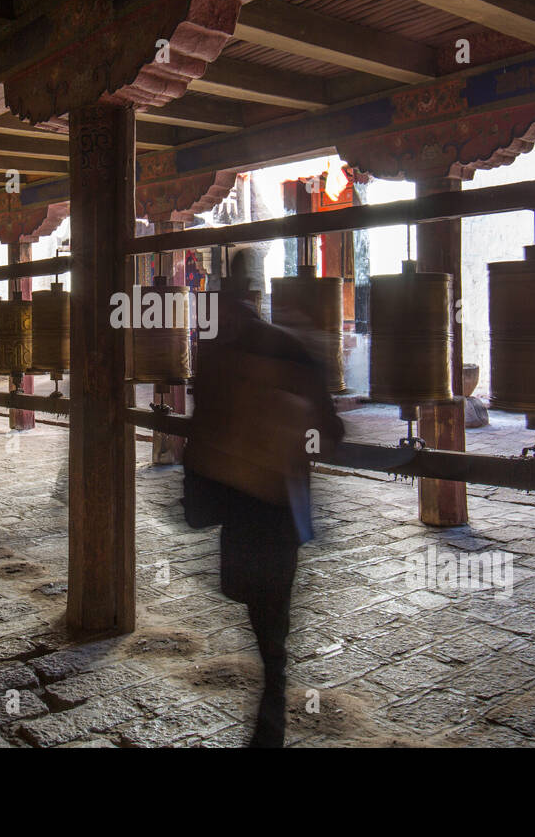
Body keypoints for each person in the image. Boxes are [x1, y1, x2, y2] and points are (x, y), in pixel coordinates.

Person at [183, 250, 344, 747]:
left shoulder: (215, 354)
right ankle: (272, 693)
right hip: (275, 501)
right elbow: (330, 430)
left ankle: (270, 706)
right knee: (271, 607)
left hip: (238, 501)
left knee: (259, 602)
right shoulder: (288, 347)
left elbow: (202, 423)